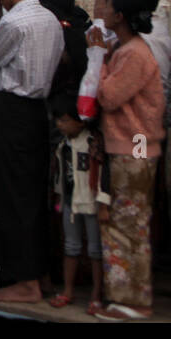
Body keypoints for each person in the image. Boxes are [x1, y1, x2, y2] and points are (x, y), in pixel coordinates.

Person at [0, 0, 64, 304]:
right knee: (32, 193)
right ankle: (39, 275)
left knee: (12, 195)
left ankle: (25, 282)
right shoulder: (50, 19)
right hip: (38, 113)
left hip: (13, 111)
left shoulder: (14, 22)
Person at [90, 0, 165, 320]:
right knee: (124, 223)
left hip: (135, 147)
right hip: (131, 146)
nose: (103, 7)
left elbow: (107, 97)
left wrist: (96, 58)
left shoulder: (133, 53)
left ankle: (134, 302)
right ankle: (126, 298)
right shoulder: (126, 49)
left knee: (128, 225)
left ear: (119, 16)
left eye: (108, 4)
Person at [49, 90, 106, 313]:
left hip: (91, 203)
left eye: (64, 120)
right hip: (70, 203)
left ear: (80, 122)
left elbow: (102, 175)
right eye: (58, 120)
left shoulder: (93, 143)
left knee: (95, 249)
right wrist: (59, 199)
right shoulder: (63, 145)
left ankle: (96, 295)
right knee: (71, 246)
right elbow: (60, 177)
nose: (60, 125)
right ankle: (68, 291)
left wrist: (103, 202)